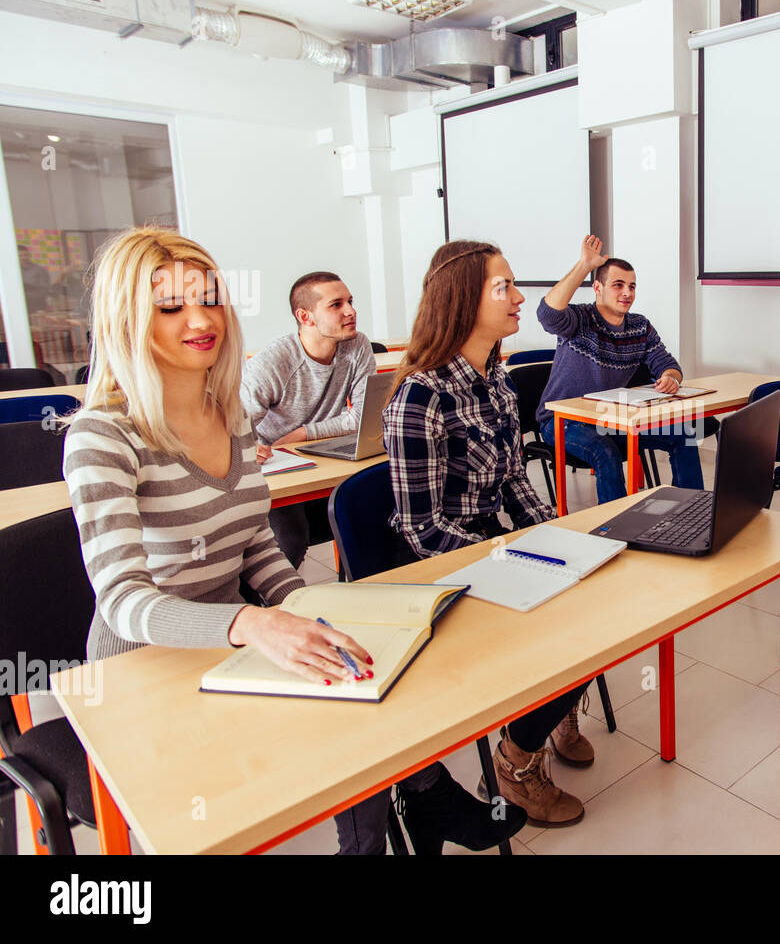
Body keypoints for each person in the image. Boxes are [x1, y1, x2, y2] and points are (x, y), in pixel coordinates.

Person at [62, 227, 523, 856]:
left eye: (210, 299)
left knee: (353, 670)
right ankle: (428, 797)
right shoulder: (101, 435)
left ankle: (385, 829)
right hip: (141, 663)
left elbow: (253, 537)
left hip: (228, 633)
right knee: (329, 716)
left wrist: (305, 608)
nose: (201, 320)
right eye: (170, 307)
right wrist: (256, 624)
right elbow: (121, 599)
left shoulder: (227, 412)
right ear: (126, 318)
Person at [384, 239, 594, 827]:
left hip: (494, 547)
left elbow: (513, 484)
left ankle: (549, 715)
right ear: (460, 302)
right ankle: (515, 763)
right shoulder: (420, 396)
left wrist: (556, 539)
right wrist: (509, 559)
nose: (520, 296)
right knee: (568, 626)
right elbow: (421, 529)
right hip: (441, 570)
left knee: (599, 602)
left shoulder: (495, 379)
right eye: (503, 287)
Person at [536, 235, 704, 503]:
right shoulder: (580, 319)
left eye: (632, 286)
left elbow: (667, 364)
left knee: (683, 434)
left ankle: (692, 512)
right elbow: (547, 314)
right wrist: (583, 264)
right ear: (597, 287)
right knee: (605, 451)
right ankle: (614, 531)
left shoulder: (639, 326)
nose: (627, 293)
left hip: (610, 419)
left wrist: (671, 378)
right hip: (562, 421)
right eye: (618, 285)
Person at [240, 271, 377, 569]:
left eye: (350, 301)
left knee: (374, 513)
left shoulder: (357, 346)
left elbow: (361, 418)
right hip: (274, 467)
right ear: (306, 317)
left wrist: (302, 433)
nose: (351, 311)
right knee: (289, 541)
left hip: (322, 455)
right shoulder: (274, 361)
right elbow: (234, 426)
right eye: (336, 304)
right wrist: (251, 446)